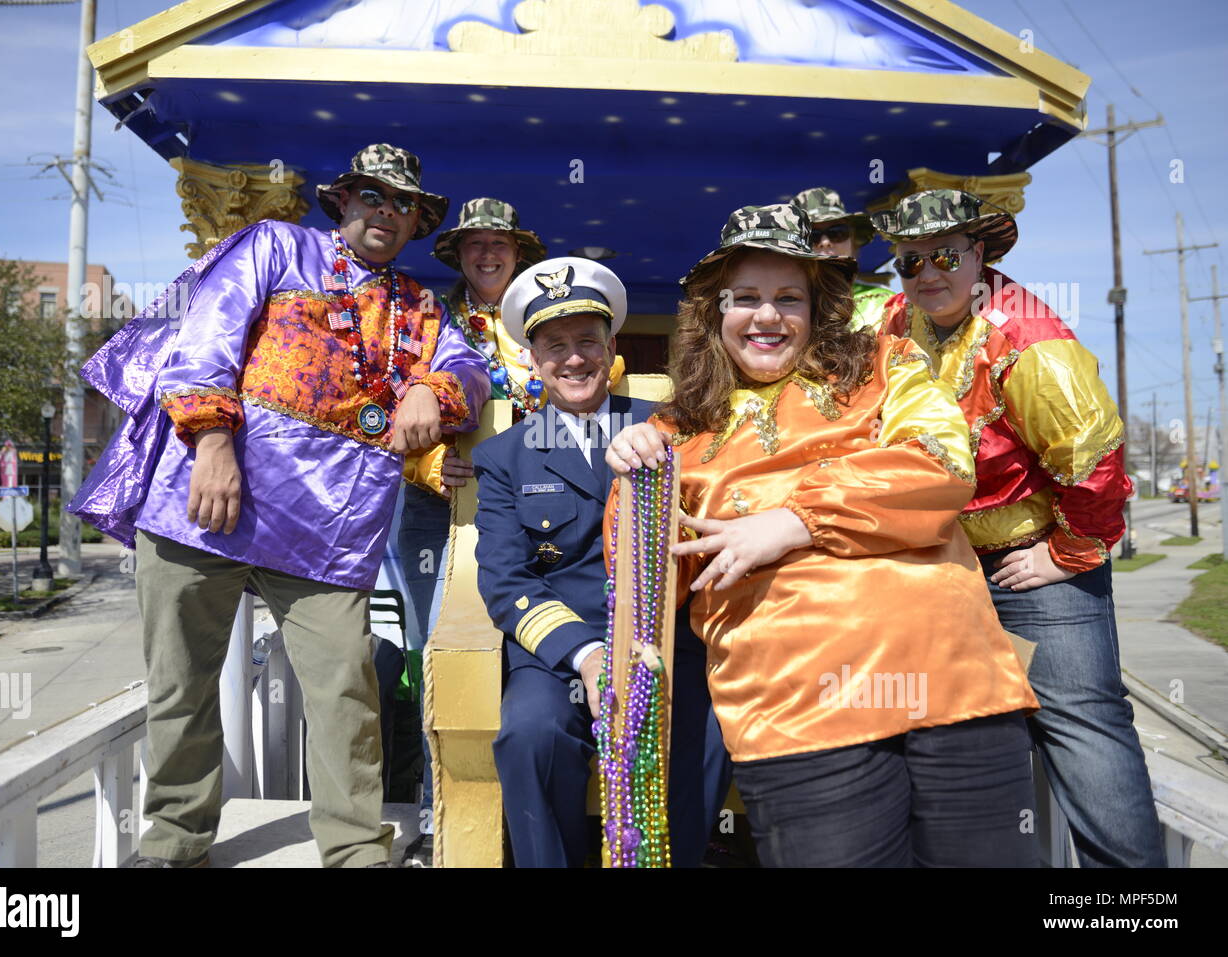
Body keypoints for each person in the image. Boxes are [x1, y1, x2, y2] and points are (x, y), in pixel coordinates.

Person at [68, 143, 490, 868]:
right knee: (181, 681)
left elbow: (471, 369)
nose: (385, 212)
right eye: (371, 196)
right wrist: (212, 444)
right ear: (343, 201)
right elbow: (203, 342)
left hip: (327, 527)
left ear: (417, 219)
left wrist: (433, 388)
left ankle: (355, 846)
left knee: (345, 690)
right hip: (203, 501)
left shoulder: (419, 308)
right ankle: (174, 840)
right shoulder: (273, 244)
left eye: (402, 203)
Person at [606, 203, 1040, 868]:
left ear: (817, 307)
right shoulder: (675, 435)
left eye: (789, 297)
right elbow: (645, 594)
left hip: (958, 688)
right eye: (745, 298)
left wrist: (793, 522)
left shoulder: (887, 365)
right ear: (715, 312)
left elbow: (943, 463)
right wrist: (637, 483)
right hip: (802, 718)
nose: (768, 316)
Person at [871, 188, 1165, 867]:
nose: (928, 274)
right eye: (910, 263)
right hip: (942, 572)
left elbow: (1093, 457)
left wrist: (1067, 552)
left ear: (980, 253)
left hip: (1033, 568)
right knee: (961, 740)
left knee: (1081, 727)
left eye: (946, 255)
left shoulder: (1025, 335)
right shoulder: (893, 323)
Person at [473, 257, 730, 867]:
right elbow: (507, 582)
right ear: (533, 360)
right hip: (562, 649)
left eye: (588, 341)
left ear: (612, 346)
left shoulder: (670, 428)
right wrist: (588, 658)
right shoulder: (504, 457)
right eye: (554, 345)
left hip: (667, 638)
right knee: (530, 737)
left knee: (710, 731)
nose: (574, 359)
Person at [395, 197, 548, 866]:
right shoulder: (426, 320)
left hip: (536, 505)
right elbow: (376, 412)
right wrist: (427, 460)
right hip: (438, 510)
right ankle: (441, 816)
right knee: (441, 655)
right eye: (475, 244)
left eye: (501, 243)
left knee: (534, 652)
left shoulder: (546, 314)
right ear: (457, 254)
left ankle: (532, 815)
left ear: (519, 251)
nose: (488, 254)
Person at [792, 187, 891, 332]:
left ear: (853, 241)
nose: (825, 242)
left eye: (837, 233)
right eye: (811, 236)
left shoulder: (887, 305)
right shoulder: (777, 307)